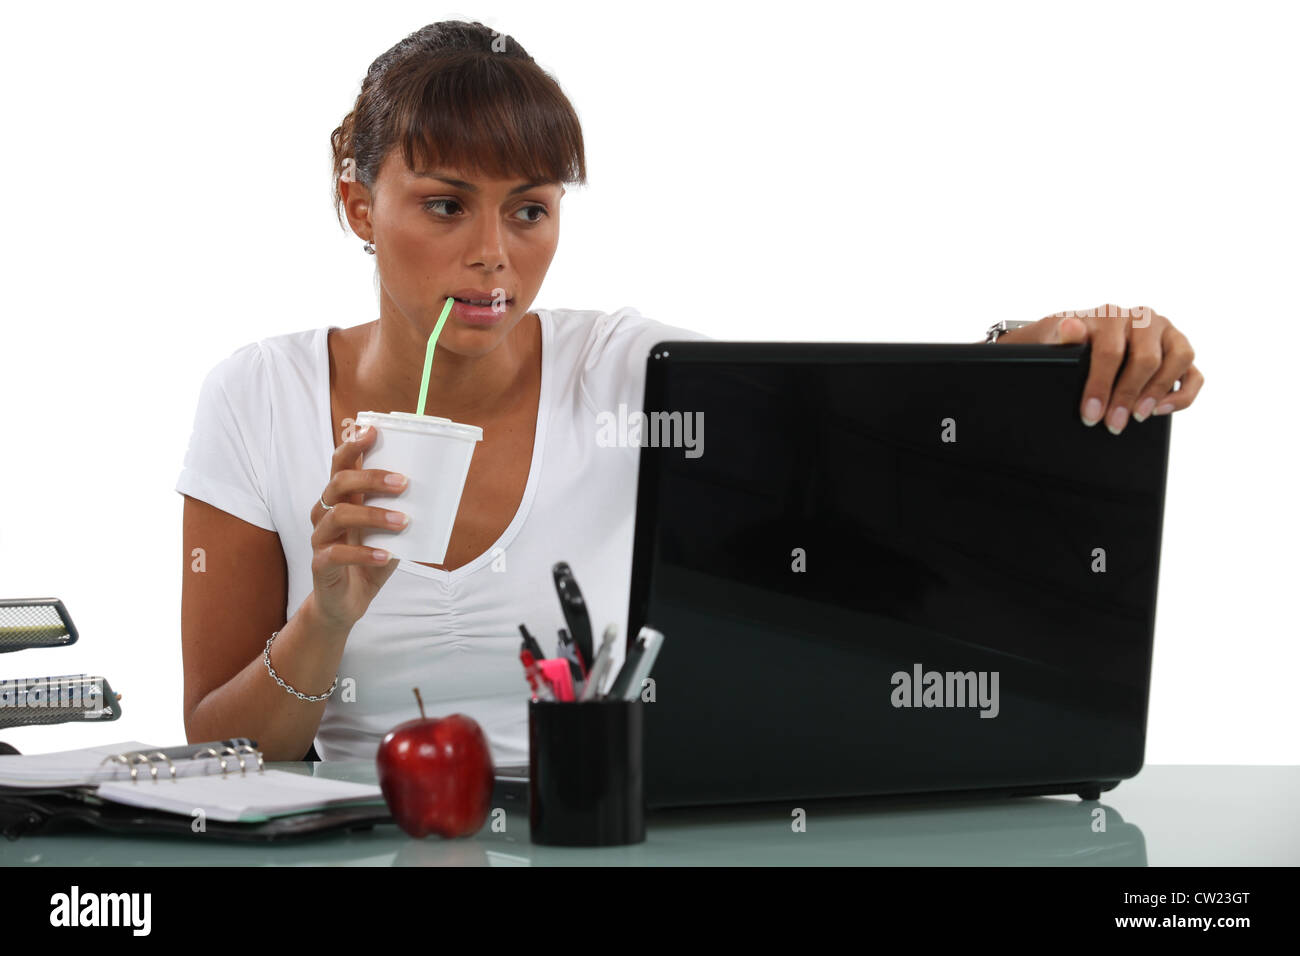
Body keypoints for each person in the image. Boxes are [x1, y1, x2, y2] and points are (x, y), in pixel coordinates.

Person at [177, 20, 1203, 765]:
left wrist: (1039, 349)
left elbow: (867, 413)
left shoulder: (628, 374)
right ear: (361, 205)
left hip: (607, 831)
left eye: (529, 210)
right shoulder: (257, 399)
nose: (493, 254)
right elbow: (218, 748)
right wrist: (326, 616)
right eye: (446, 205)